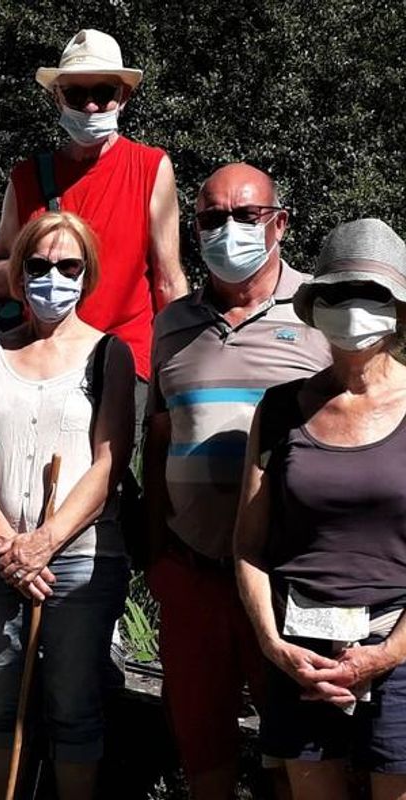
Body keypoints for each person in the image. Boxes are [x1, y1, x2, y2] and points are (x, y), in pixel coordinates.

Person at [145, 164, 329, 799]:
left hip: (287, 582)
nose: (227, 229)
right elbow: (157, 440)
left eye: (244, 216)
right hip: (192, 573)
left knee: (296, 760)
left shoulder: (320, 315)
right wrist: (157, 554)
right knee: (202, 750)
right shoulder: (171, 325)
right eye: (211, 218)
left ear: (278, 222)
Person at [0, 211, 133, 800]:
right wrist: (9, 544)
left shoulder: (110, 355)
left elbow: (110, 462)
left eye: (68, 266)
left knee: (74, 704)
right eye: (39, 265)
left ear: (88, 273)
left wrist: (44, 543)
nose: (52, 276)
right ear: (19, 271)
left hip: (77, 559)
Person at [236, 218, 406, 800]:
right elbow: (249, 546)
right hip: (298, 648)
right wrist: (272, 644)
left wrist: (385, 656)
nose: (352, 306)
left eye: (372, 293)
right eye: (336, 292)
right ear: (314, 306)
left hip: (400, 649)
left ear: (399, 309)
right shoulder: (281, 408)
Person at [0, 28, 186, 391]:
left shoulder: (150, 167)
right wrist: (35, 278)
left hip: (125, 362)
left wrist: (179, 367)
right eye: (76, 94)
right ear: (57, 98)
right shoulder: (27, 177)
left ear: (123, 97)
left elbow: (168, 280)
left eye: (103, 93)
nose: (90, 105)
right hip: (40, 361)